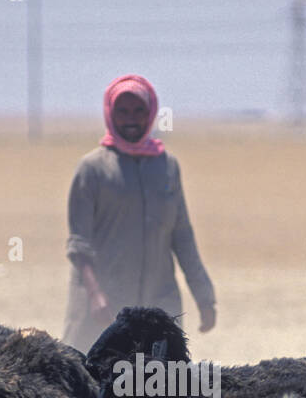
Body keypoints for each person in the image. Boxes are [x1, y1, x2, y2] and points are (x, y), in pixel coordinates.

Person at [62, 73, 217, 353]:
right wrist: (96, 295)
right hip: (104, 310)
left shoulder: (167, 166)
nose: (131, 118)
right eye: (122, 111)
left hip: (159, 303)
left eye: (139, 110)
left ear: (151, 113)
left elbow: (182, 236)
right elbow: (79, 245)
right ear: (110, 113)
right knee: (97, 385)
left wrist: (204, 297)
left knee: (162, 387)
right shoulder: (92, 169)